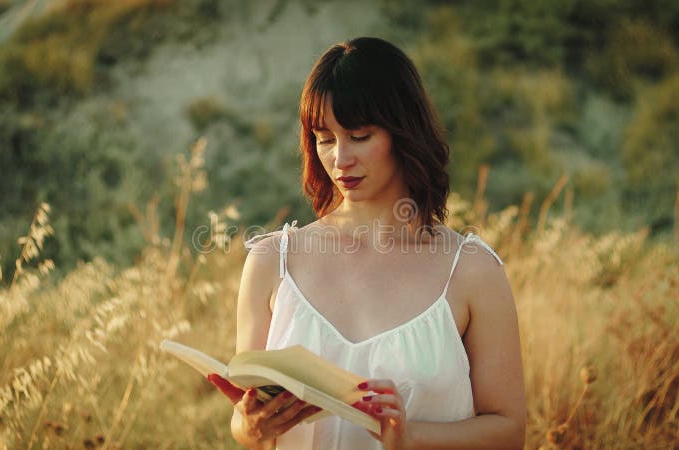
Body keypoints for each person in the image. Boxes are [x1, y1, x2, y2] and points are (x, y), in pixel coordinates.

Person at [209, 36, 526, 450]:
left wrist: (411, 437)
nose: (340, 159)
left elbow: (509, 431)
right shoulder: (273, 262)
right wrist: (250, 428)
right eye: (325, 138)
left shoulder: (471, 271)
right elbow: (245, 421)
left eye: (359, 136)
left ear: (403, 133)